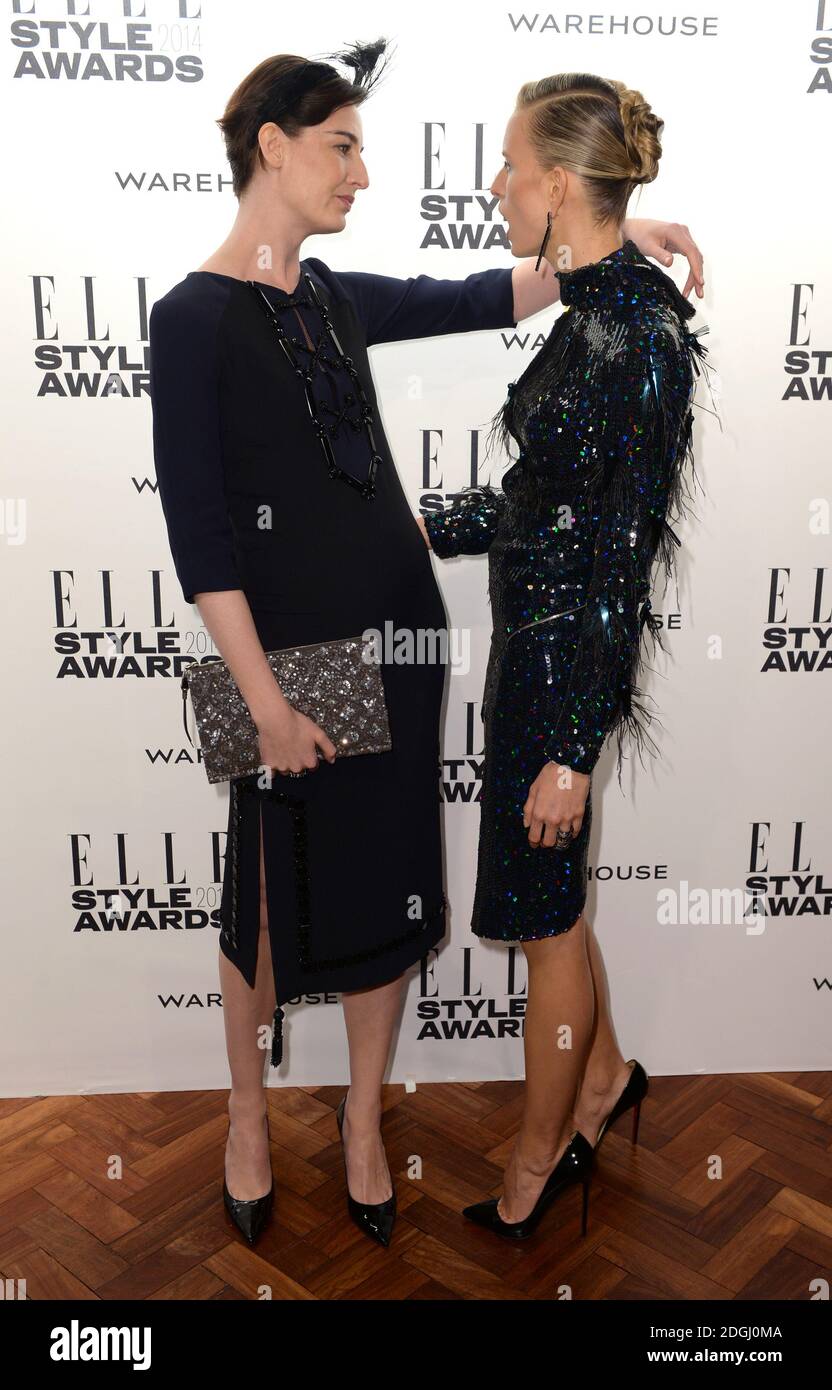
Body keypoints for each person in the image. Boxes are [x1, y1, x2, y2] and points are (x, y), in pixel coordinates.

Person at [148, 40, 706, 1250]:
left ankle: (359, 1123)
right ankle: (248, 1122)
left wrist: (619, 229)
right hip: (277, 660)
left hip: (399, 645)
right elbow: (201, 538)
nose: (361, 170)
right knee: (258, 893)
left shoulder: (338, 297)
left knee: (387, 901)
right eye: (343, 145)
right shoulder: (190, 318)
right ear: (274, 148)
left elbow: (485, 294)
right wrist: (263, 697)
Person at [420, 72, 715, 1239]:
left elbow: (621, 560)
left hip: (561, 681)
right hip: (532, 661)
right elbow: (544, 507)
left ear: (551, 182)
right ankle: (602, 1078)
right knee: (558, 909)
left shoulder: (637, 338)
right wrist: (421, 525)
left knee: (543, 924)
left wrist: (576, 748)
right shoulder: (602, 299)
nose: (492, 184)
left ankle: (539, 1162)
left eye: (505, 165)